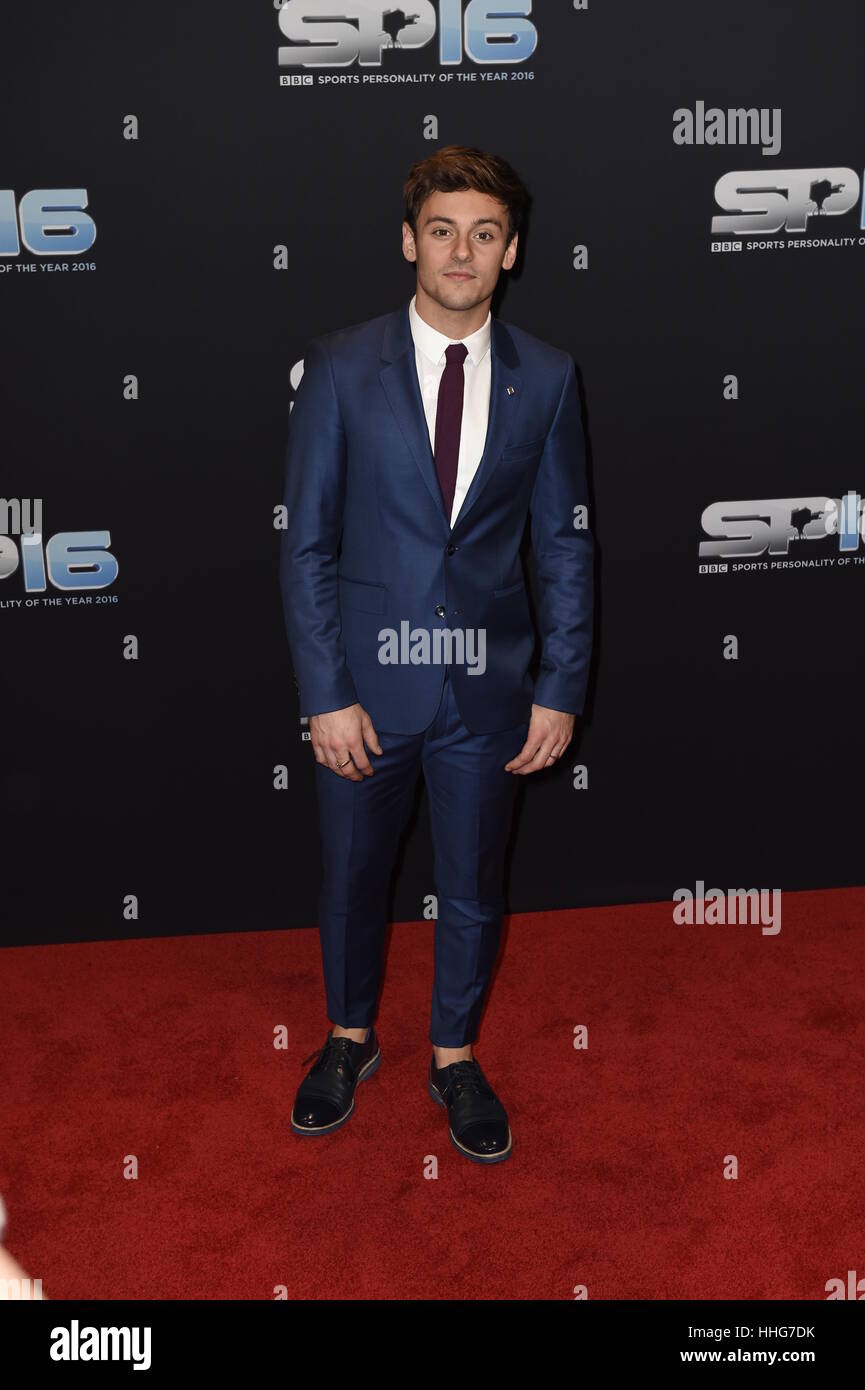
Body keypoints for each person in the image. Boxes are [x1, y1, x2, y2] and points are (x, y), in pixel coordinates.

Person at [279, 144, 594, 1164]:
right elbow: (308, 544)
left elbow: (562, 544)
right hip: (364, 690)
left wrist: (559, 686)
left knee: (472, 884)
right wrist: (325, 692)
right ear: (410, 240)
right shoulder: (338, 365)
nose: (463, 250)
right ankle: (347, 1039)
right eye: (445, 229)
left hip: (489, 692)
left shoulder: (548, 378)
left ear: (512, 252)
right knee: (352, 878)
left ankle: (453, 1054)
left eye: (486, 233)